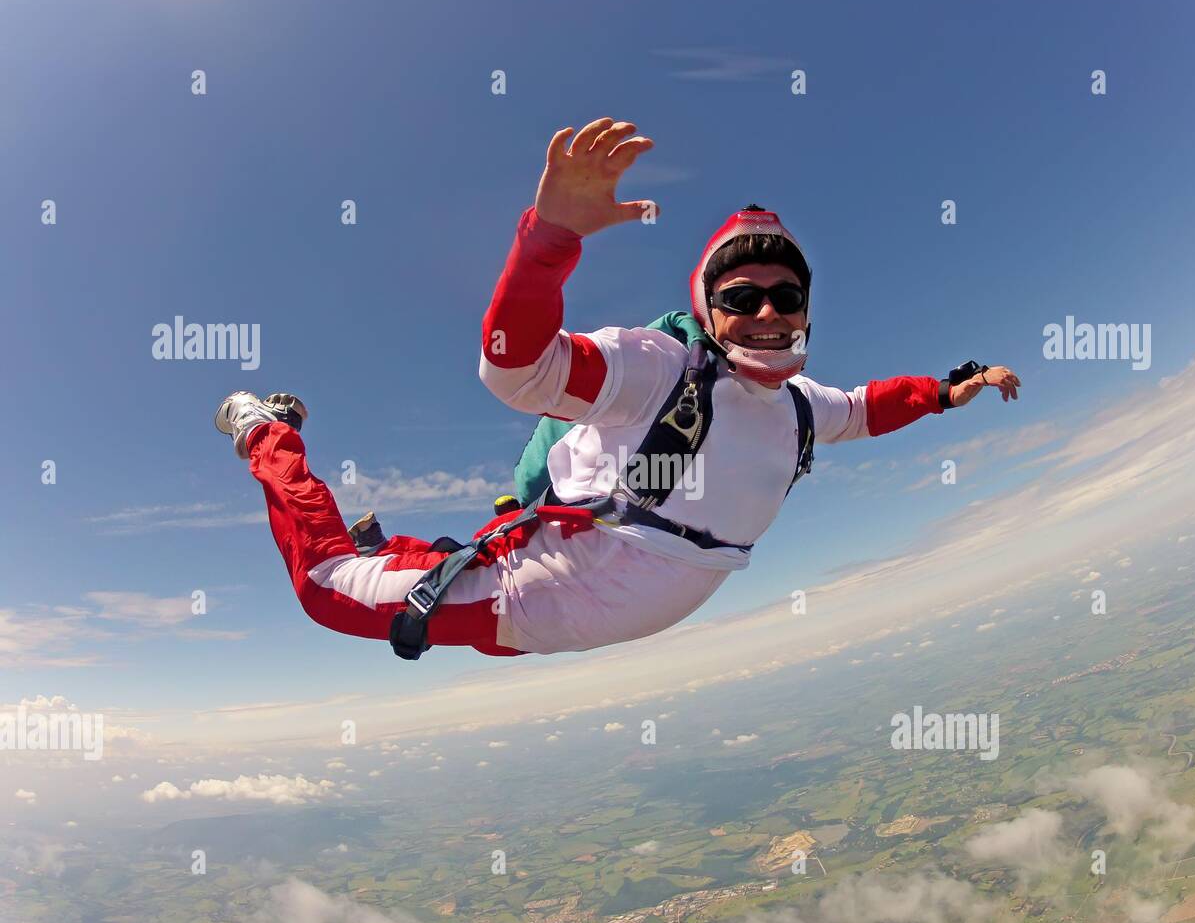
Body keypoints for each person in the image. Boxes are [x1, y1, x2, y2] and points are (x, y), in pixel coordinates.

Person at [214, 117, 1021, 660]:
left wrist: (951, 391)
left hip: (596, 584)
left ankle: (386, 548)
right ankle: (266, 431)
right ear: (709, 309)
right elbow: (517, 368)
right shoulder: (662, 367)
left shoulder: (802, 406)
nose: (768, 312)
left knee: (451, 561)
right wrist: (549, 240)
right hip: (561, 587)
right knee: (328, 590)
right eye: (741, 297)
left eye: (786, 294)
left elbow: (873, 407)